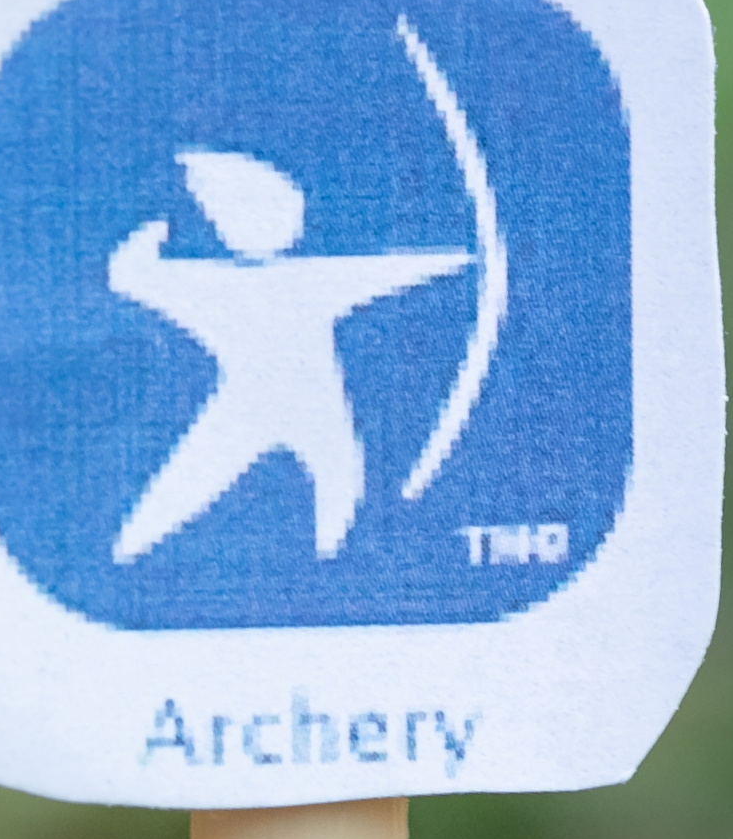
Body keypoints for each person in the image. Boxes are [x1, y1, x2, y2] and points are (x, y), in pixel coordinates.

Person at [108, 147, 469, 561]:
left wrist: (455, 258)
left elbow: (132, 274)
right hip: (257, 404)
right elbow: (132, 275)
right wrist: (458, 257)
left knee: (339, 483)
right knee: (194, 482)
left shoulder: (269, 281)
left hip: (308, 401)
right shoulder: (228, 284)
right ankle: (131, 547)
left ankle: (331, 561)